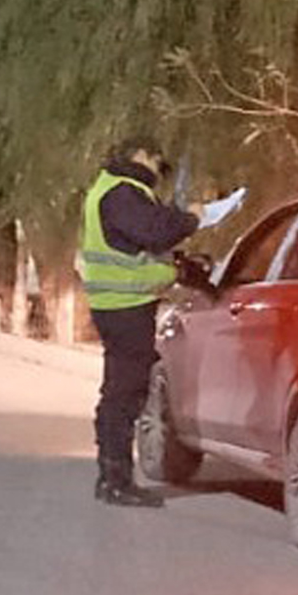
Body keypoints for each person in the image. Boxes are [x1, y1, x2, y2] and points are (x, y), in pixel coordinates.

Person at [79, 135, 203, 507]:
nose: (157, 171)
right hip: (125, 306)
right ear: (140, 156)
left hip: (118, 304)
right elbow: (154, 231)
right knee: (124, 391)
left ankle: (112, 476)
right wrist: (193, 218)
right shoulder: (122, 191)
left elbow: (140, 242)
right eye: (156, 162)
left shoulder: (111, 188)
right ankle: (115, 479)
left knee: (119, 389)